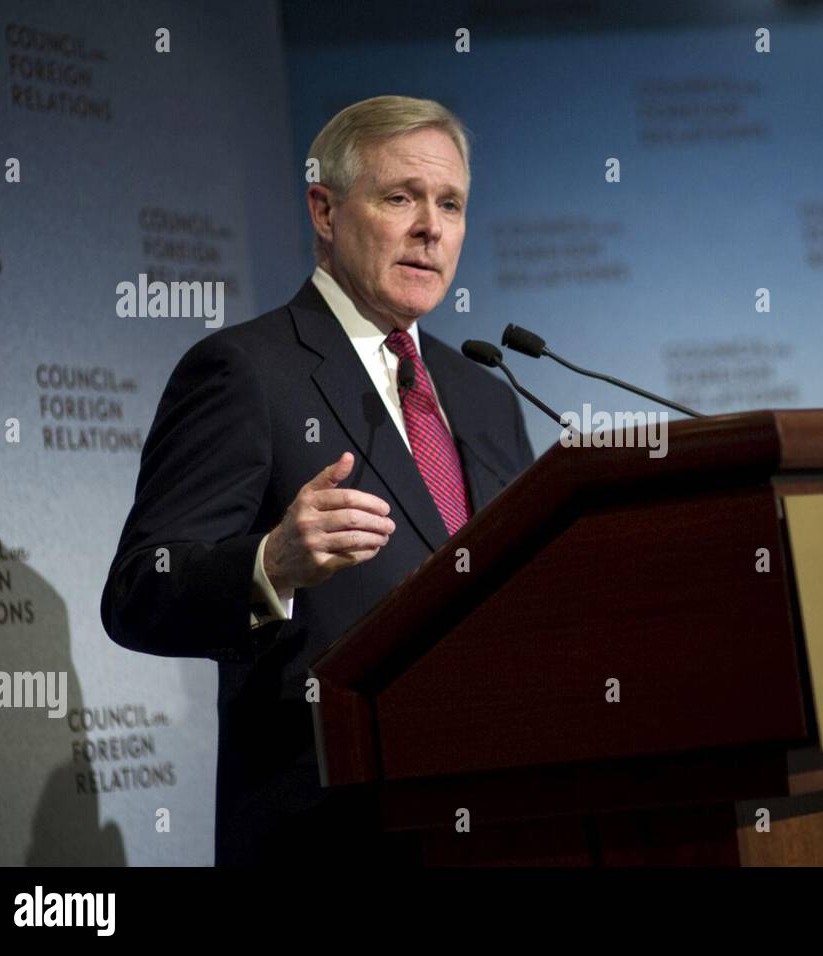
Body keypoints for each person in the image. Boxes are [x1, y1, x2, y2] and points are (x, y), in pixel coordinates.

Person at [100, 95, 534, 865]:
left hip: (498, 820)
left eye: (451, 204)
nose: (430, 227)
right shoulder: (245, 371)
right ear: (325, 211)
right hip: (327, 833)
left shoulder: (485, 396)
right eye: (400, 197)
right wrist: (269, 565)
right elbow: (140, 592)